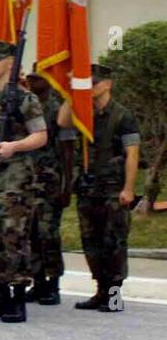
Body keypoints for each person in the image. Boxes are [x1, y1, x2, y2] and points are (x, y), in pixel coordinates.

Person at [0, 40, 48, 323]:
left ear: (11, 64)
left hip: (14, 180)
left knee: (14, 238)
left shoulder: (25, 99)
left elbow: (41, 135)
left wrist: (15, 146)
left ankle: (17, 299)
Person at [59, 63, 140, 312]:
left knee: (114, 243)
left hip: (113, 189)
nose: (91, 87)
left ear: (107, 84)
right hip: (89, 188)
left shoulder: (123, 116)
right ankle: (100, 290)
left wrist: (128, 188)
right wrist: (73, 92)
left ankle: (114, 295)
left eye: (93, 83)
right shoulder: (85, 113)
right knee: (91, 242)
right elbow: (62, 121)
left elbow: (132, 154)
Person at [24, 68, 74, 305]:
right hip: (27, 179)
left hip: (50, 180)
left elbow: (67, 149)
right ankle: (38, 281)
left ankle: (53, 284)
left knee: (47, 234)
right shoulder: (29, 105)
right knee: (30, 232)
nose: (31, 82)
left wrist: (67, 184)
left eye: (37, 78)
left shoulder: (57, 108)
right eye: (30, 78)